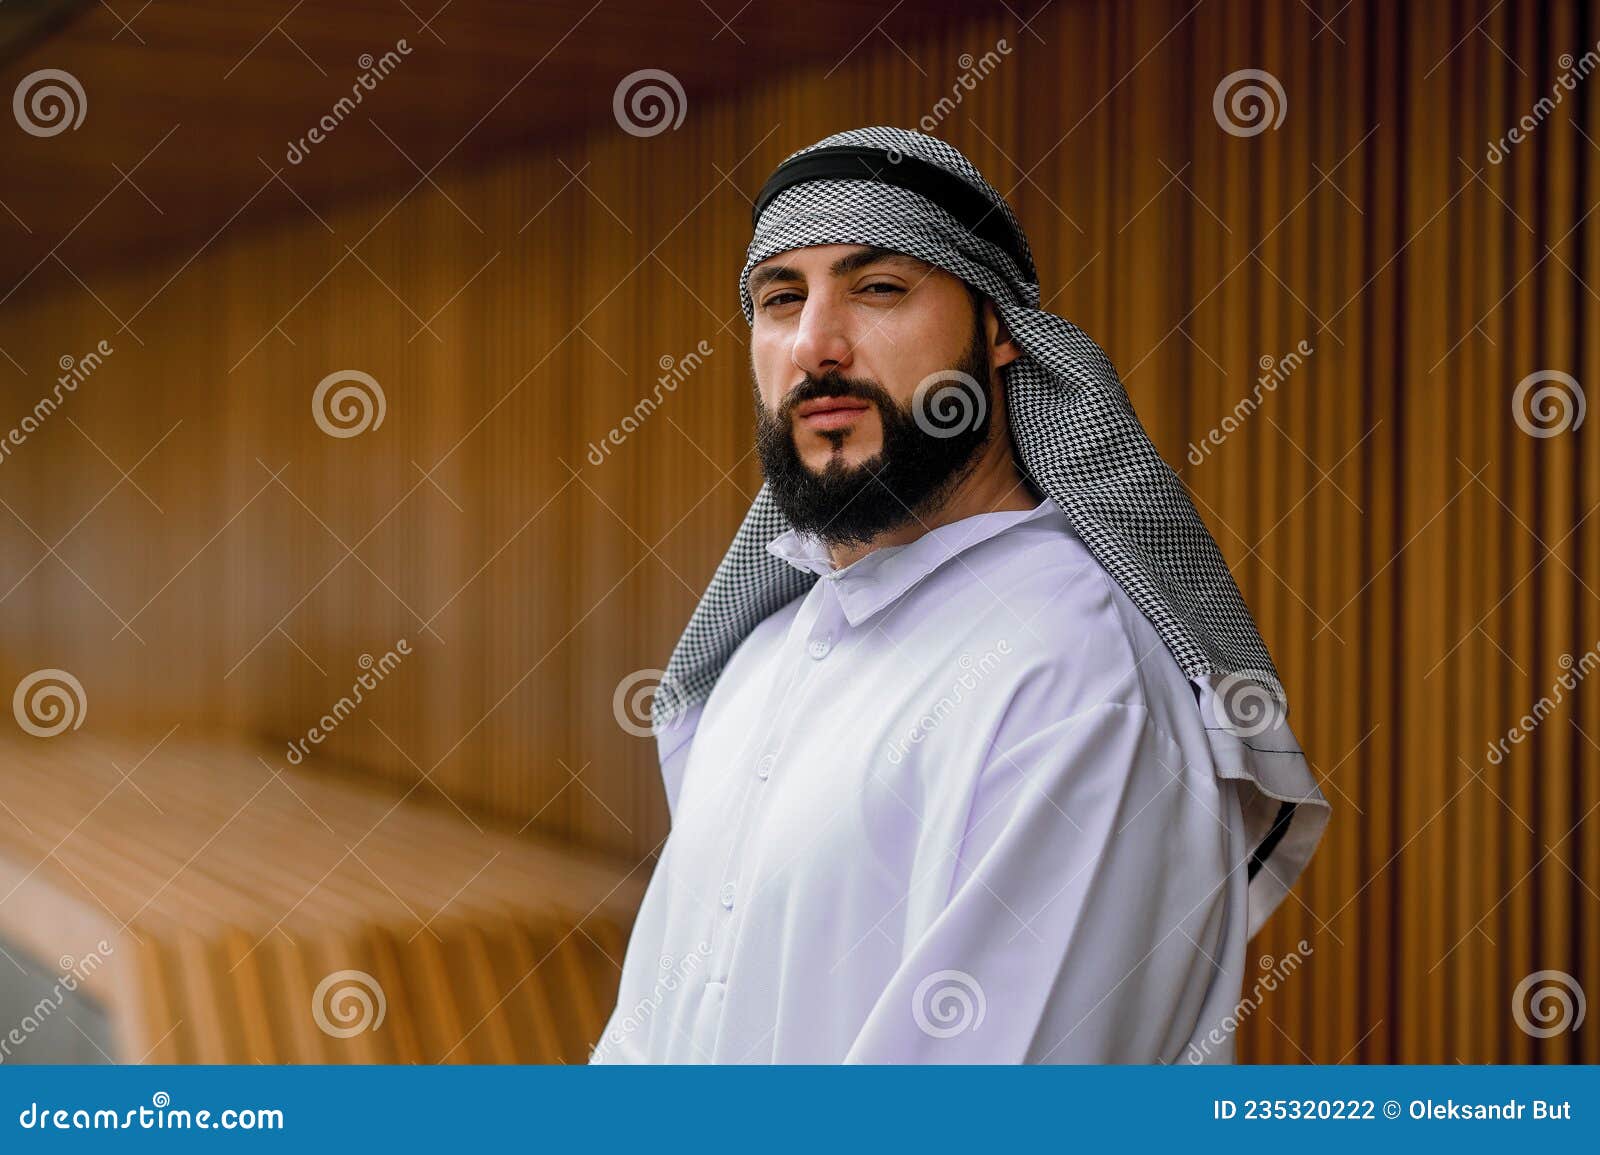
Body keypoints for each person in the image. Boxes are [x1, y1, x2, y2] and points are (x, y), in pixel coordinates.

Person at [590, 126, 1328, 1064]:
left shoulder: (1073, 668)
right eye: (781, 299)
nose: (816, 342)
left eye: (879, 287)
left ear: (999, 334)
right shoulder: (762, 655)